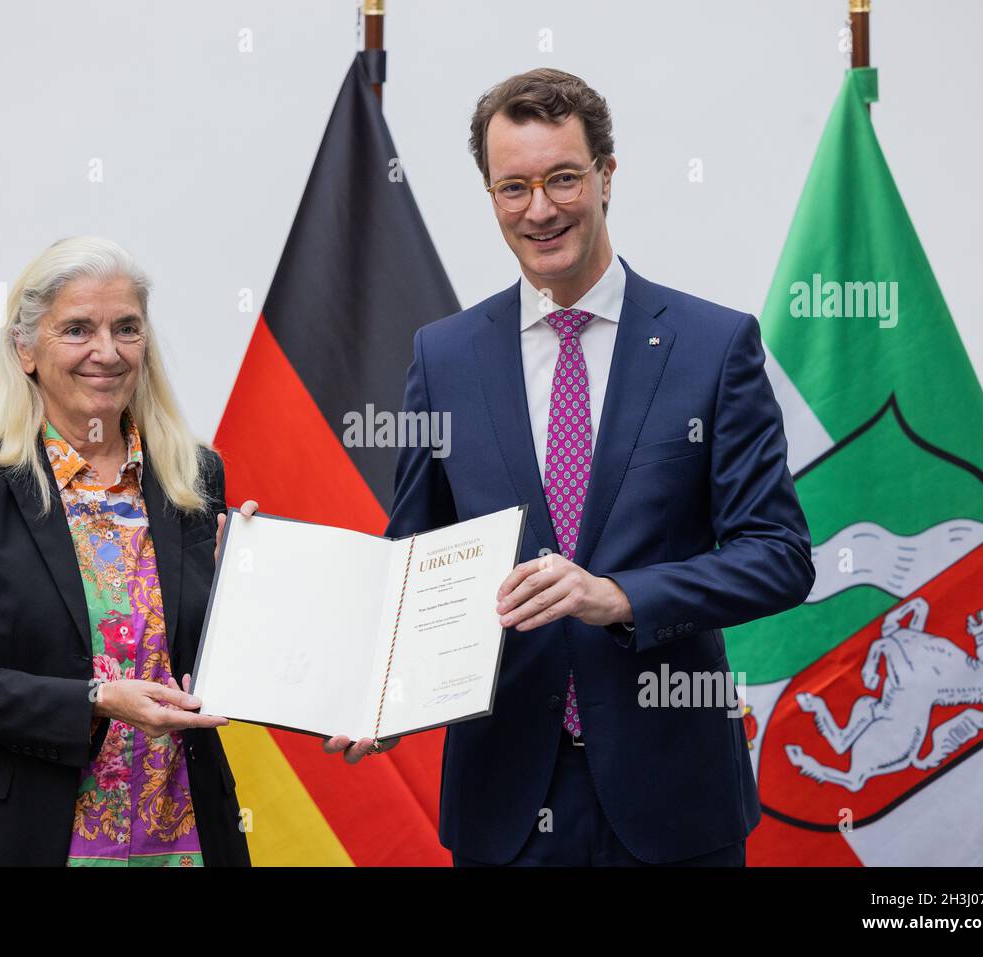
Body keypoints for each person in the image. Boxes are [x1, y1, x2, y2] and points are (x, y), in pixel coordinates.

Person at [319, 68, 815, 865]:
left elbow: (781, 559)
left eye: (561, 178)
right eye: (512, 186)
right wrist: (375, 693)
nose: (540, 208)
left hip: (674, 800)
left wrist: (620, 596)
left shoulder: (713, 346)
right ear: (490, 195)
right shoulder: (442, 356)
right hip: (505, 802)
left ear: (607, 176)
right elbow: (414, 558)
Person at [0, 237, 250, 866]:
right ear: (25, 349)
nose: (106, 352)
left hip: (180, 835)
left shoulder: (195, 477)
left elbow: (210, 668)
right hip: (15, 838)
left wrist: (244, 596)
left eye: (126, 328)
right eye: (77, 329)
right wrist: (94, 700)